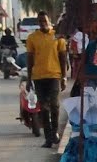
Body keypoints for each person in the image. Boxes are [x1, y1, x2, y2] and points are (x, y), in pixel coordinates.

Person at [26, 11, 69, 148]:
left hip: (54, 76)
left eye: (44, 20)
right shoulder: (32, 38)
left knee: (54, 105)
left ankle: (55, 132)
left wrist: (64, 77)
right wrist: (28, 79)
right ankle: (48, 137)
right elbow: (29, 59)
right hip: (38, 77)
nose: (43, 23)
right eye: (40, 21)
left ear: (49, 21)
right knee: (43, 108)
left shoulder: (57, 37)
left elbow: (63, 58)